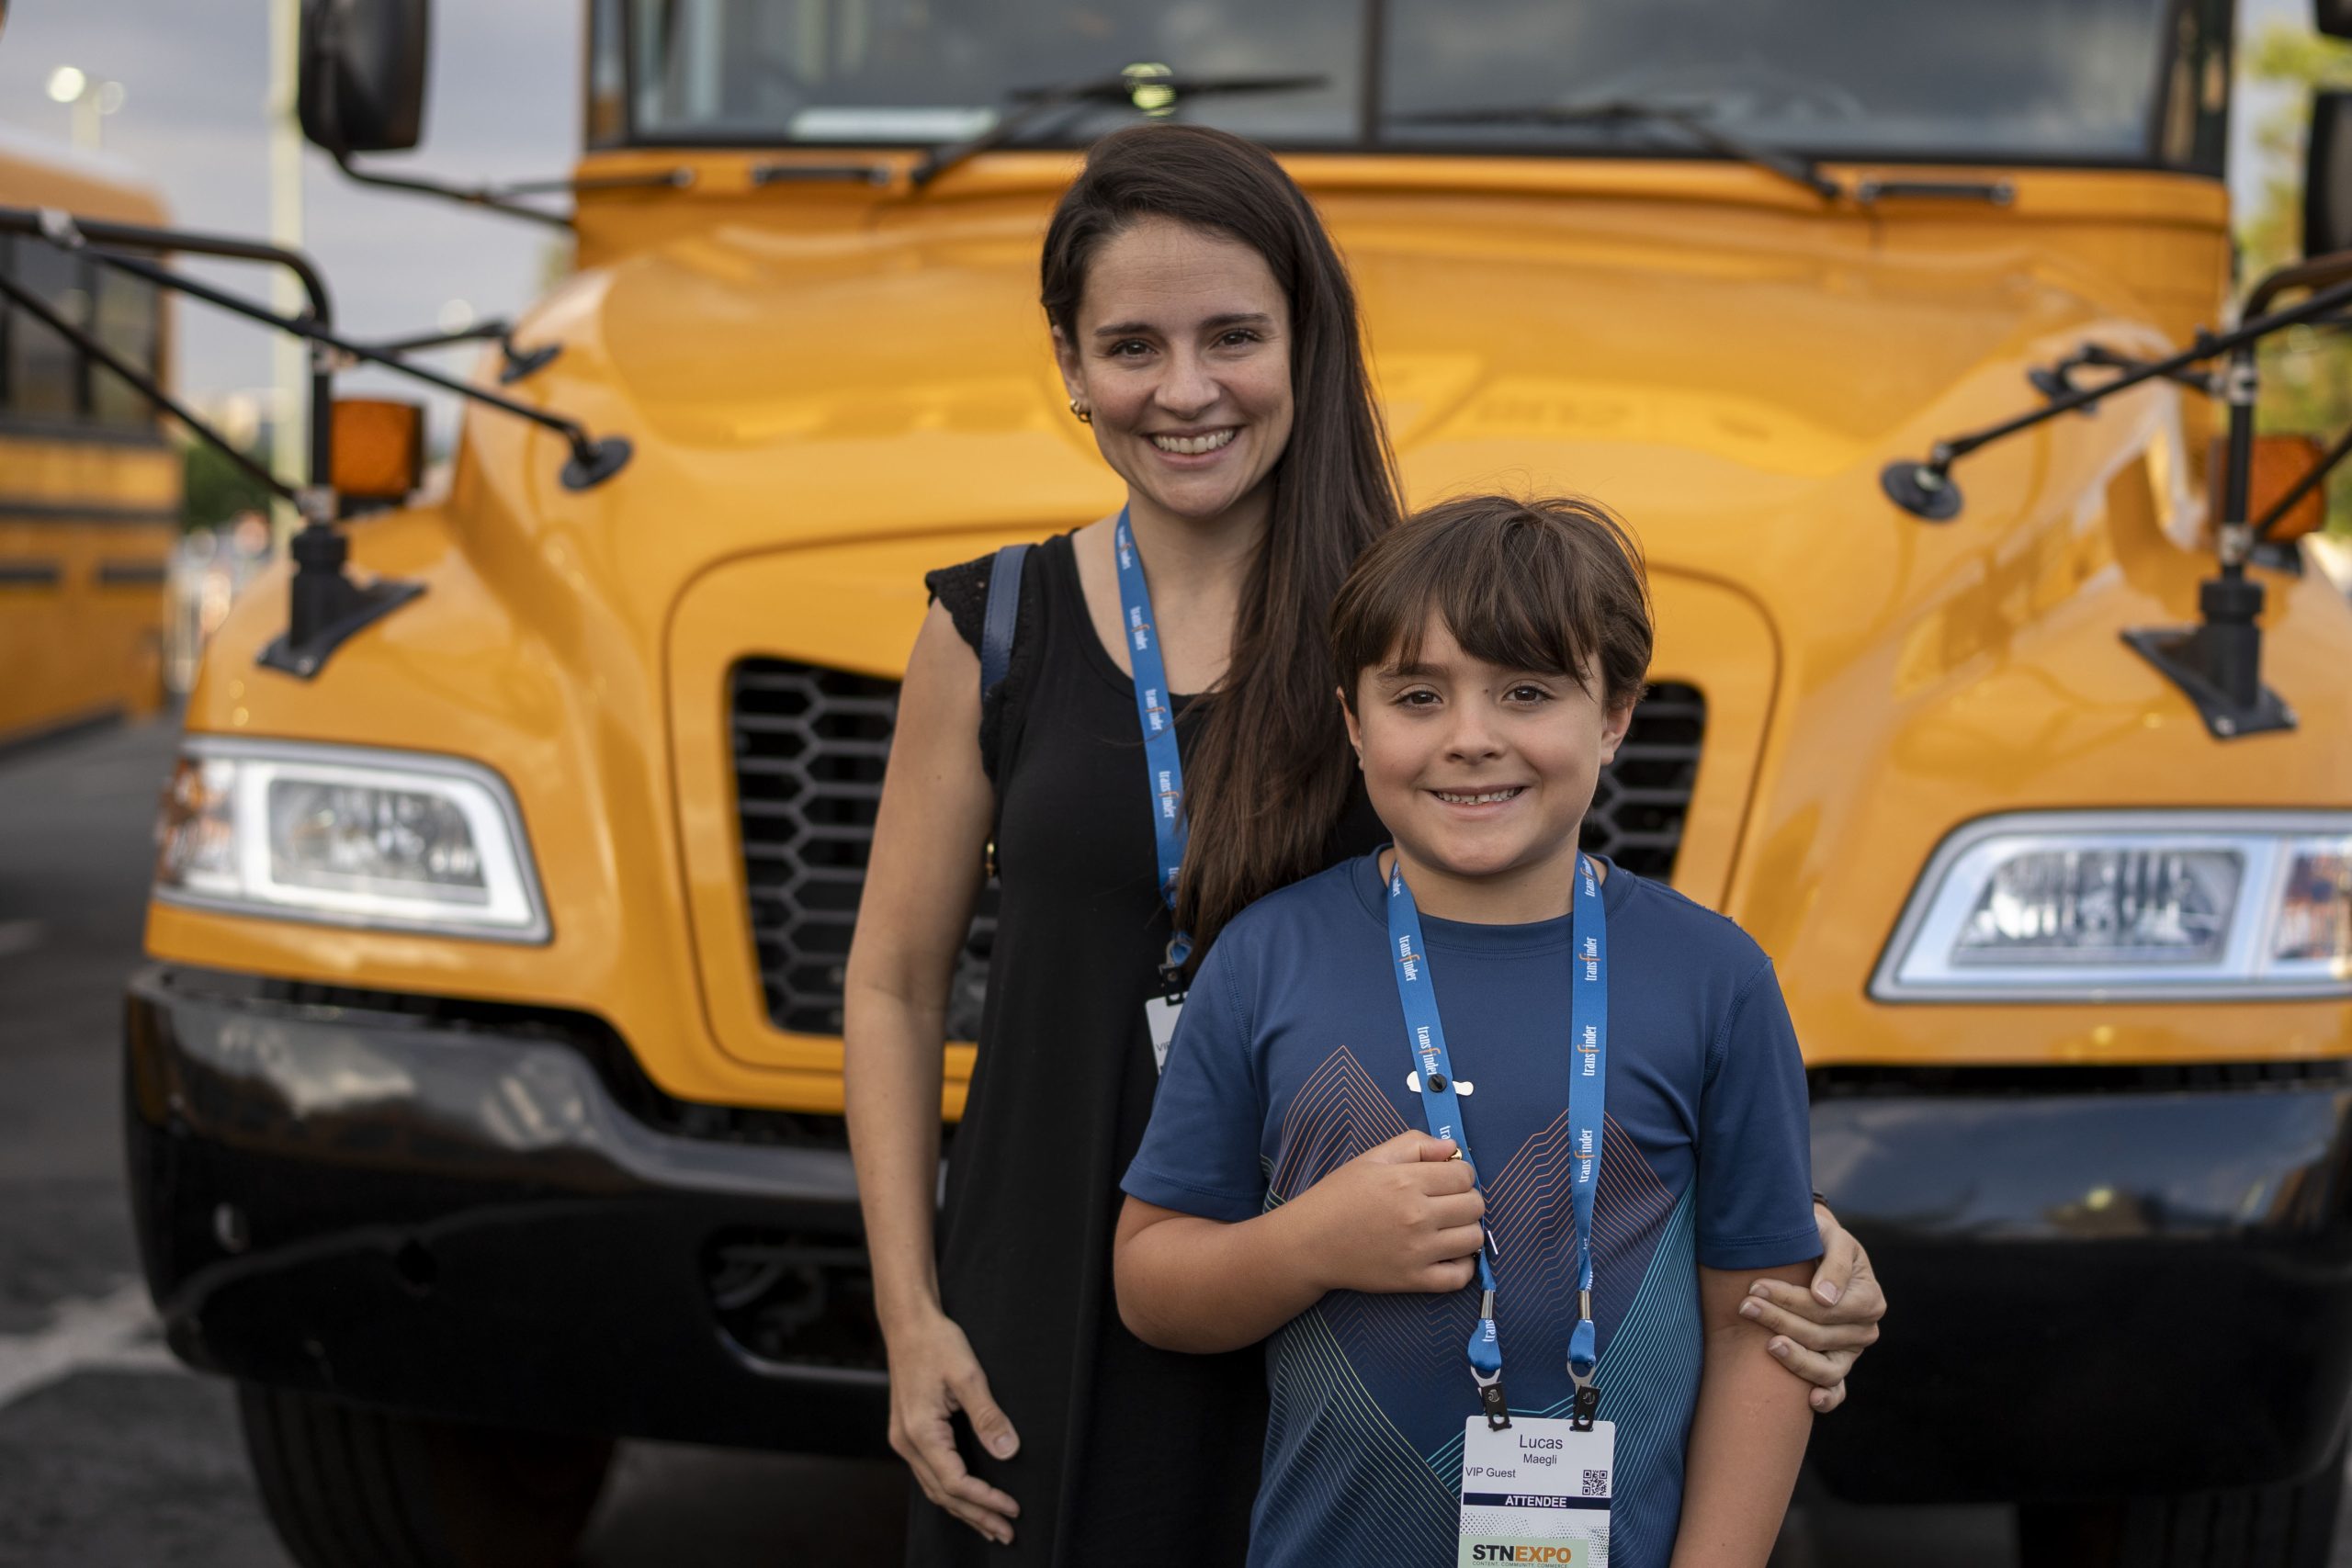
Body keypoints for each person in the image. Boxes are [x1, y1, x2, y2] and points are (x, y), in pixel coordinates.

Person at [842, 125, 1880, 1568]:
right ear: (1070, 363)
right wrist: (908, 1311)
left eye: (1233, 336)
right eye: (1132, 345)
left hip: (1381, 1307)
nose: (1185, 389)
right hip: (1068, 1262)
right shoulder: (993, 626)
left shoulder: (1419, 632)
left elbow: (1573, 964)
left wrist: (1778, 1219)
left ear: (1305, 341)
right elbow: (894, 982)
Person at [1115, 495, 1821, 1568]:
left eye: (1526, 692)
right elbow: (1151, 1284)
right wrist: (1308, 1245)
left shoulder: (1715, 977)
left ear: (1614, 714)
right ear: (1354, 723)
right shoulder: (1267, 957)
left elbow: (1756, 1327)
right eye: (1417, 696)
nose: (1471, 738)